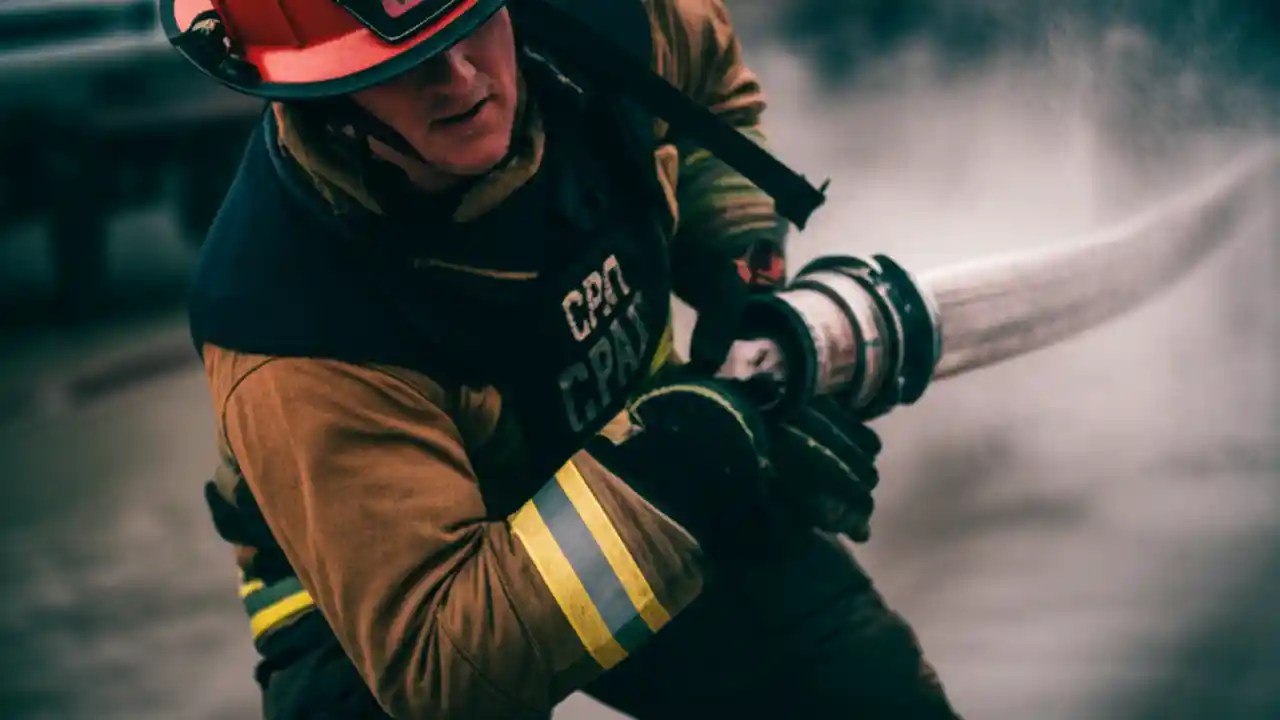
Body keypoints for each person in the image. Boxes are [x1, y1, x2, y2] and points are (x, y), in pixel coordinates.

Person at [164, 0, 962, 717]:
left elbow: (705, 90)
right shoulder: (293, 321)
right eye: (404, 65)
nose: (460, 78)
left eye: (471, 18)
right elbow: (446, 669)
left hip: (642, 463)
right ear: (326, 96)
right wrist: (682, 467)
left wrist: (735, 265)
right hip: (383, 616)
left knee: (866, 692)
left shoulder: (608, 20)